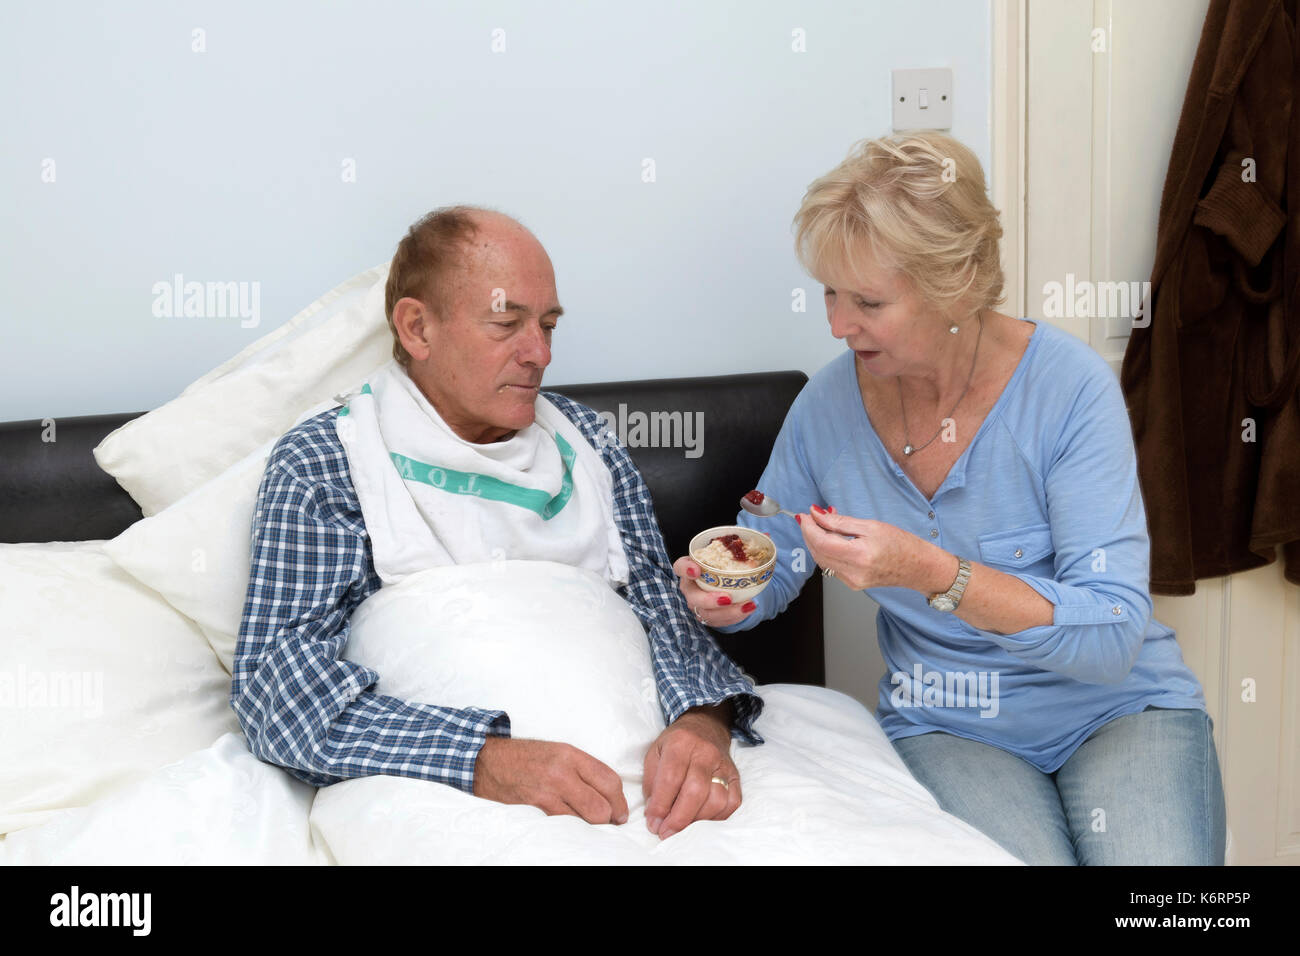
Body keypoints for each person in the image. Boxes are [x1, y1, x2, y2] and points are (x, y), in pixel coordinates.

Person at [674, 132, 1227, 865]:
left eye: (868, 300)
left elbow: (1111, 635)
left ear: (955, 287)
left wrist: (934, 573)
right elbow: (773, 555)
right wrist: (729, 596)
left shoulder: (1069, 392)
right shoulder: (828, 407)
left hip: (1118, 709)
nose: (838, 326)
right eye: (830, 293)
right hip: (952, 722)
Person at [230, 205, 762, 841]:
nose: (538, 353)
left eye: (548, 325)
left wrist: (703, 722)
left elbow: (659, 608)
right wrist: (482, 758)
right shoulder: (329, 460)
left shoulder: (586, 439)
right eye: (506, 323)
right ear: (417, 328)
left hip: (642, 784)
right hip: (439, 793)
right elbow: (277, 694)